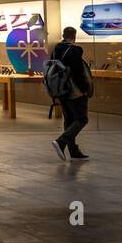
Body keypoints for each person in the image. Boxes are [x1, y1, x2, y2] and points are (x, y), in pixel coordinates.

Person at [51, 26, 92, 161]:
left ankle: (73, 151)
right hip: (75, 91)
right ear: (74, 36)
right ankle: (61, 142)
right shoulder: (75, 50)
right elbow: (78, 73)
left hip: (61, 90)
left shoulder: (56, 49)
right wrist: (85, 89)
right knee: (81, 119)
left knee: (69, 120)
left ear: (63, 35)